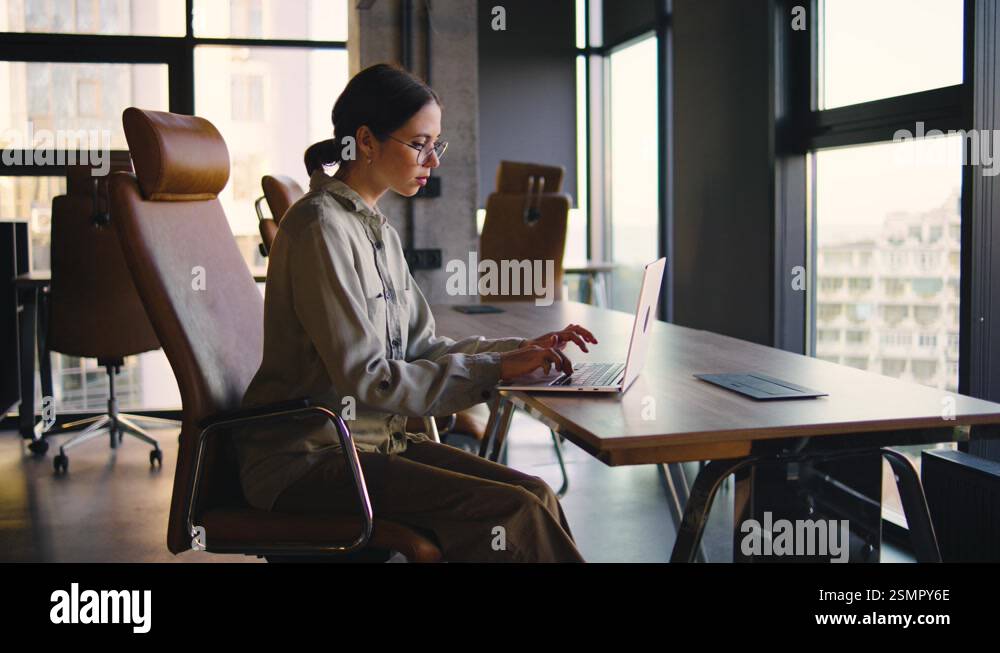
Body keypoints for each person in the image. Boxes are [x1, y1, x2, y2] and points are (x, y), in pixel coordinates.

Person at [236, 63, 597, 562]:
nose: (432, 159)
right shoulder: (321, 228)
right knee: (513, 513)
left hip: (372, 444)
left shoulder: (375, 228)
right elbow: (370, 379)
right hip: (310, 459)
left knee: (535, 494)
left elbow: (425, 347)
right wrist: (493, 371)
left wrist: (520, 352)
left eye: (436, 145)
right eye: (419, 143)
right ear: (366, 141)